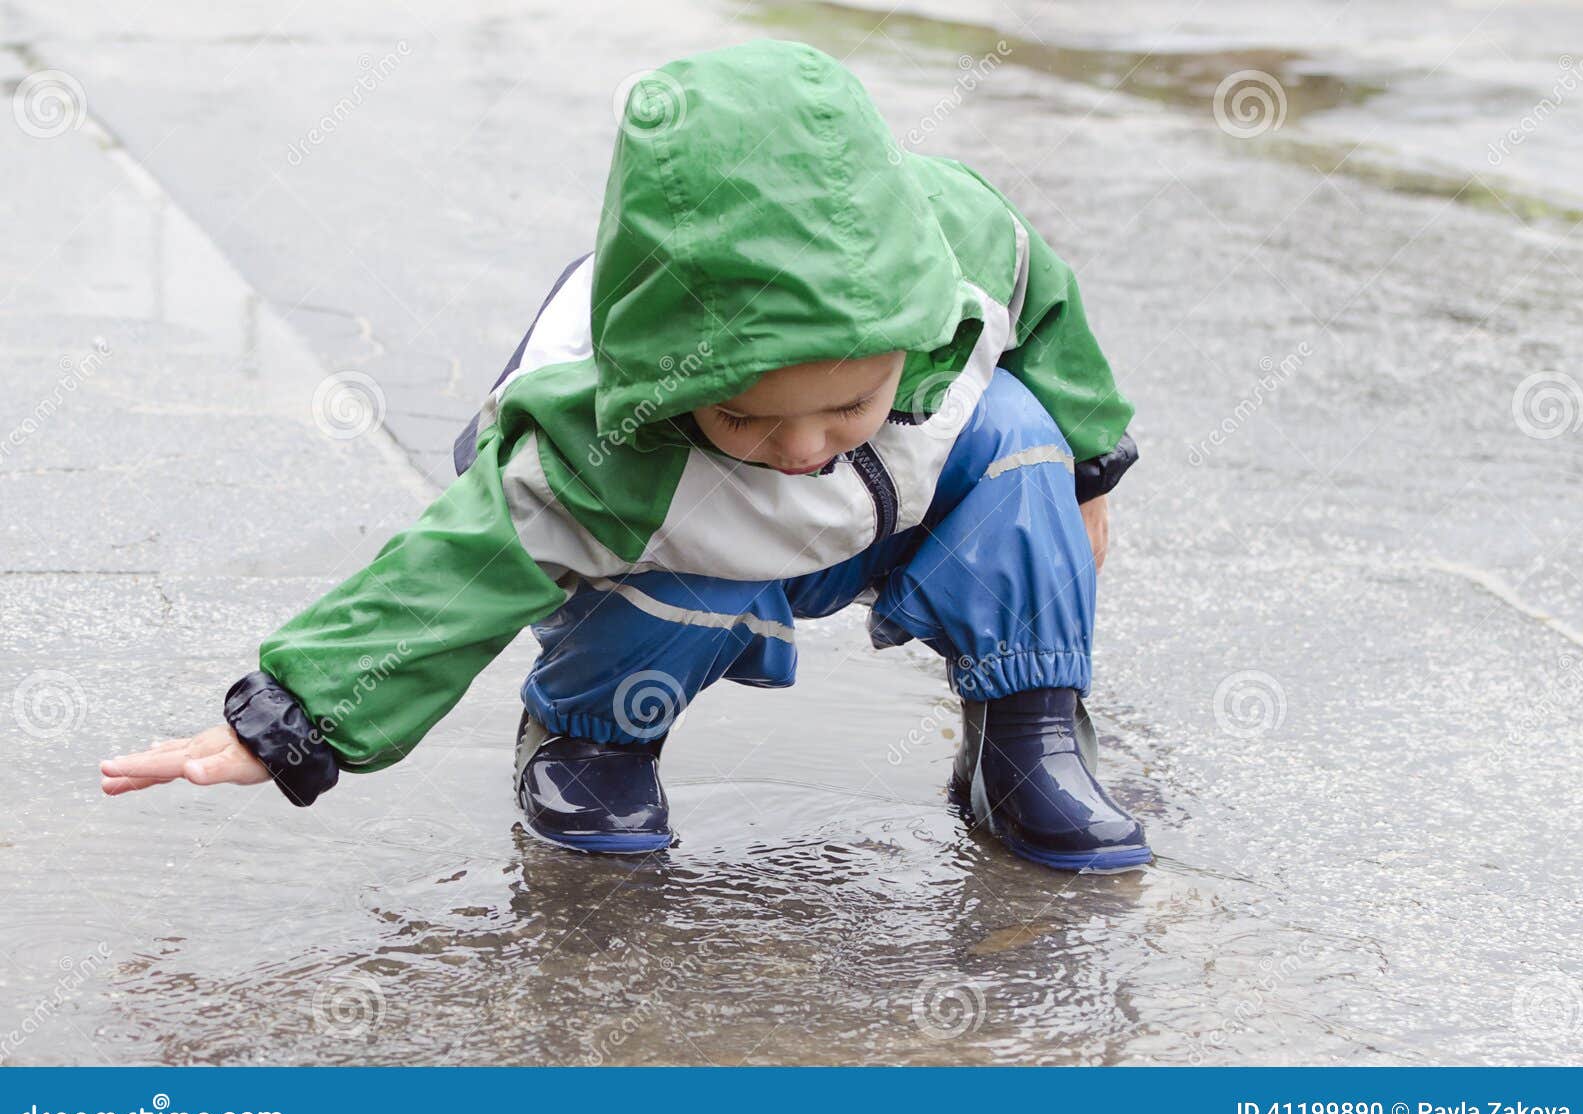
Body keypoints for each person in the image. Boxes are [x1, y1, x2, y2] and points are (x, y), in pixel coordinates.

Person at [100, 38, 1149, 871]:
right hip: (674, 551)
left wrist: (1087, 471)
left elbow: (1038, 303)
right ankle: (593, 741)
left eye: (849, 401)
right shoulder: (600, 436)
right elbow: (448, 573)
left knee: (1019, 436)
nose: (800, 447)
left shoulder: (954, 243)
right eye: (747, 418)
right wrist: (290, 718)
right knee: (658, 549)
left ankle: (1026, 732)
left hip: (891, 510)